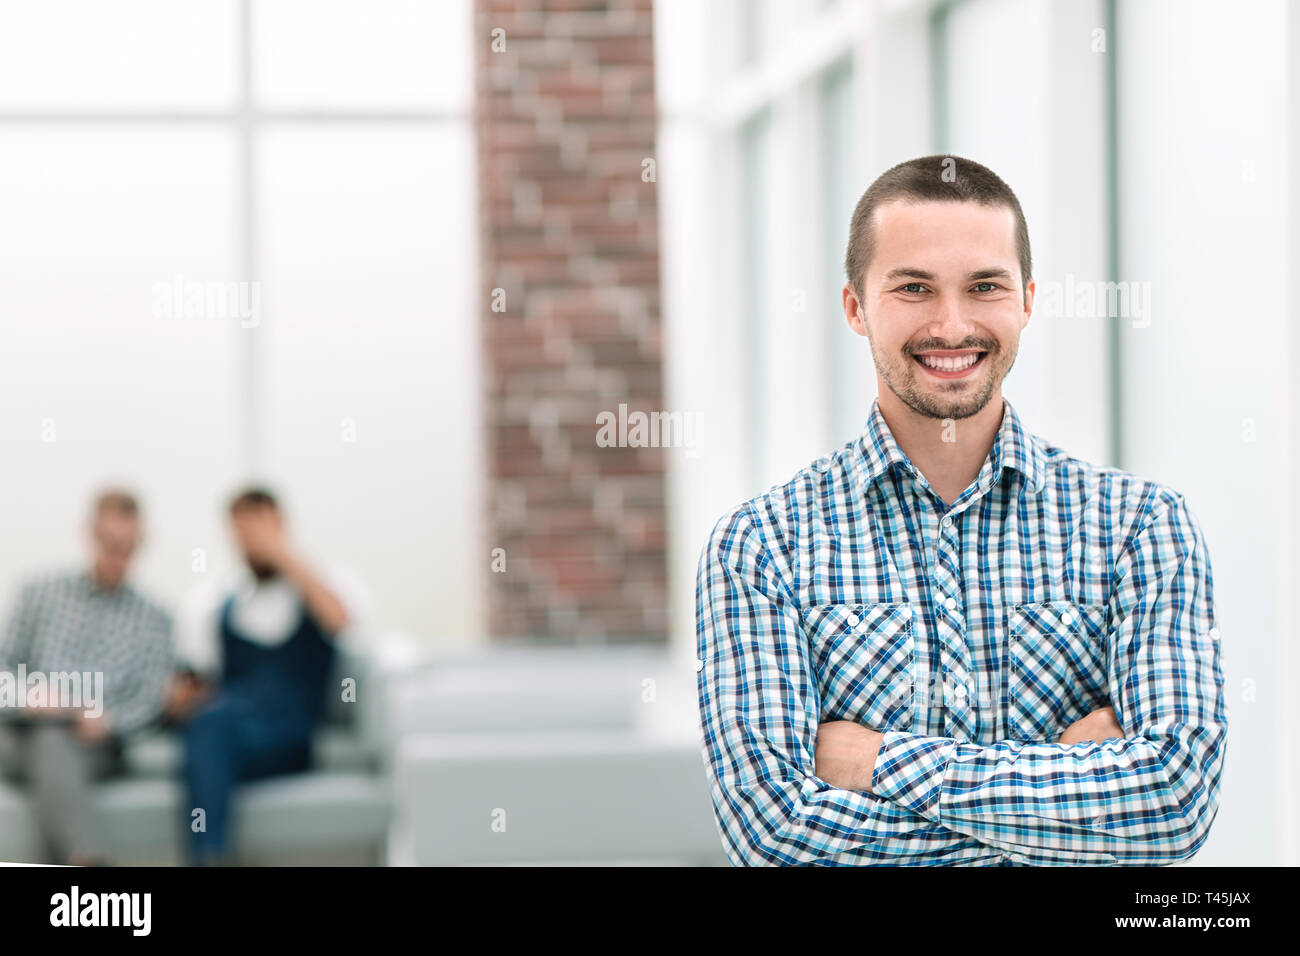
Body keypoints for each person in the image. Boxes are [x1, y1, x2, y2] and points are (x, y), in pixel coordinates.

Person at [695, 155, 1227, 866]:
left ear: (1028, 301)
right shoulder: (761, 548)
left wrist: (877, 764)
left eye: (984, 287)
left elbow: (1172, 806)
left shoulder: (1140, 529)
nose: (952, 326)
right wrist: (1071, 807)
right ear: (856, 307)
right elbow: (778, 836)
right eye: (914, 288)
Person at [166, 486, 368, 865]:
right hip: (231, 732)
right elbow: (199, 684)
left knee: (212, 728)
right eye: (241, 533)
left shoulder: (321, 588)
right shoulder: (216, 605)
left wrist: (282, 554)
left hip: (290, 735)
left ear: (281, 526)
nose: (250, 542)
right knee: (208, 724)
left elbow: (340, 621)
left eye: (259, 530)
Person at [0, 489, 173, 865]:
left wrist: (108, 721)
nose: (118, 558)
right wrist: (30, 696)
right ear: (89, 534)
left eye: (128, 548)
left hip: (96, 745)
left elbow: (149, 701)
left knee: (53, 747)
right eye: (111, 544)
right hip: (21, 733)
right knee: (48, 737)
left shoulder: (155, 617)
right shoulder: (38, 592)